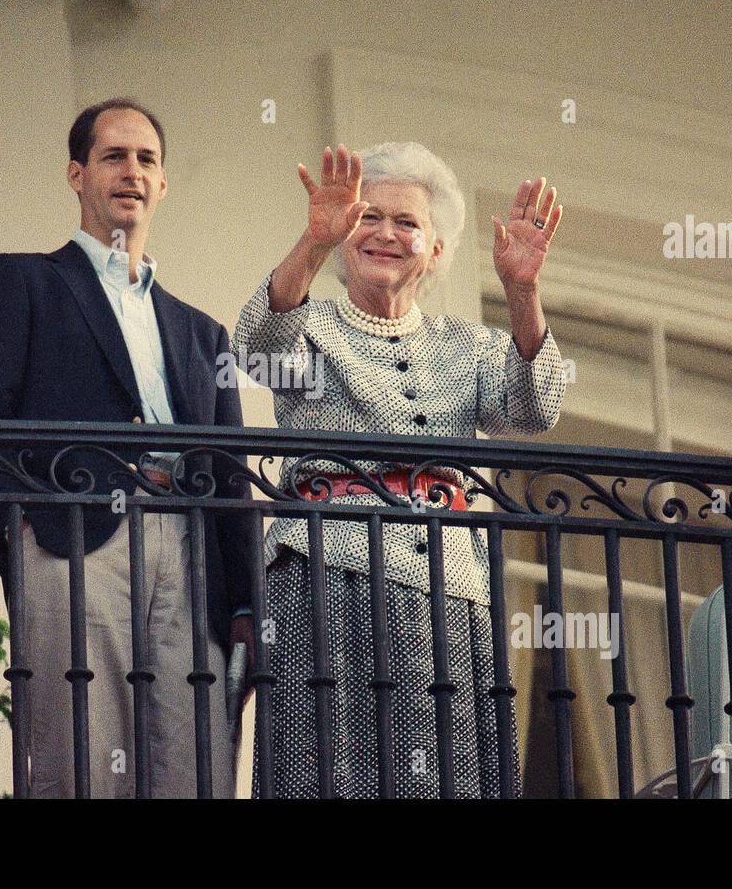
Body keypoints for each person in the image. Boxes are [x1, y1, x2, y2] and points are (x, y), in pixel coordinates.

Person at [0, 98, 257, 798]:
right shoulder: (22, 280)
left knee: (194, 772)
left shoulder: (204, 335)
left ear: (164, 184)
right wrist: (21, 530)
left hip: (193, 557)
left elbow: (232, 478)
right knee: (77, 762)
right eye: (114, 156)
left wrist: (246, 605)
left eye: (147, 160)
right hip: (74, 536)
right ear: (77, 174)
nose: (132, 172)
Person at [235, 141, 567, 798]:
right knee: (326, 773)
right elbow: (256, 346)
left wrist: (522, 292)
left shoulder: (467, 346)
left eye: (408, 223)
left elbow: (534, 409)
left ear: (437, 250)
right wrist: (312, 244)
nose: (385, 233)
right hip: (324, 579)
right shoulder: (311, 327)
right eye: (368, 217)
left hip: (448, 591)